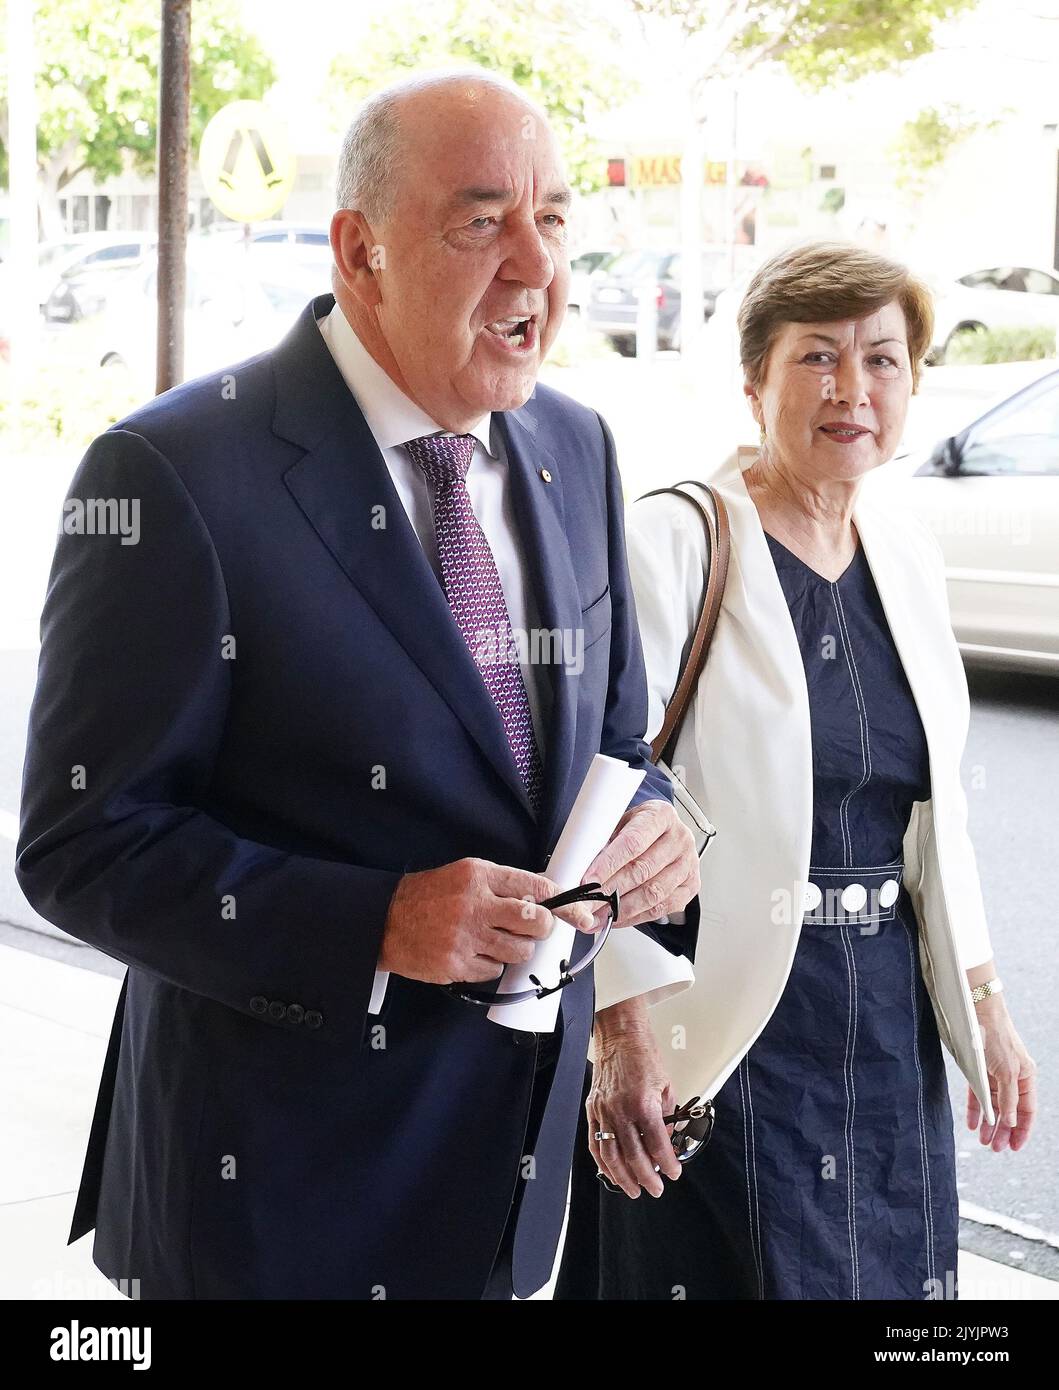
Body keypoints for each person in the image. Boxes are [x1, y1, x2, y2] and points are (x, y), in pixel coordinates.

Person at [16, 69, 699, 1302]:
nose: (535, 266)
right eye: (482, 221)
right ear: (360, 248)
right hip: (271, 1201)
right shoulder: (176, 473)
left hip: (503, 1176)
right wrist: (374, 921)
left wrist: (658, 828)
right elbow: (81, 846)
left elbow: (615, 742)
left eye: (553, 218)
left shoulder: (575, 445)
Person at [555, 241, 1037, 1301]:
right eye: (817, 358)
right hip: (728, 1021)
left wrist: (983, 999)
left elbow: (932, 815)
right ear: (754, 380)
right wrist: (618, 1028)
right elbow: (591, 790)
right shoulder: (675, 541)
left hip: (883, 1033)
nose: (852, 390)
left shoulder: (903, 555)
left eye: (883, 360)